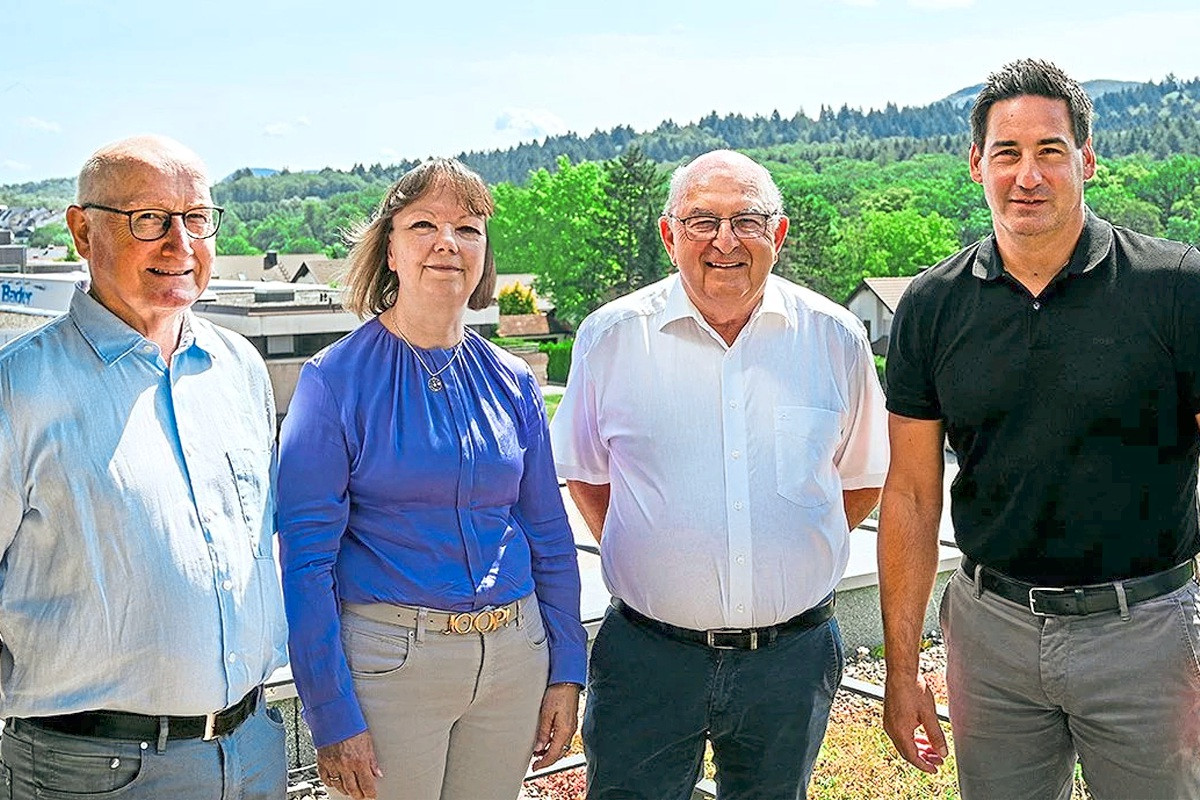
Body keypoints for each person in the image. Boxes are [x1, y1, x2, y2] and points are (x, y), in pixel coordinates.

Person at [879, 58, 1200, 799]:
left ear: (1087, 159)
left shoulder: (1176, 290)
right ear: (976, 165)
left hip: (1145, 632)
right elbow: (913, 496)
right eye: (1008, 153)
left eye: (1050, 151)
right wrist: (902, 671)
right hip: (992, 639)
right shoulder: (930, 307)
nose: (1028, 174)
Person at [551, 149, 889, 800]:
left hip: (790, 659)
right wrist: (660, 555)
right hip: (648, 656)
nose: (725, 242)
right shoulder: (612, 337)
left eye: (748, 221)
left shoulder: (836, 338)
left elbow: (860, 479)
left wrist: (781, 557)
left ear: (779, 234)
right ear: (668, 234)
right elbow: (589, 478)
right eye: (702, 220)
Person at [278, 158, 587, 800]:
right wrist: (331, 715)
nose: (448, 242)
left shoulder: (514, 380)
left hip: (513, 656)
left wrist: (567, 667)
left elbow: (549, 534)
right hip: (390, 666)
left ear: (483, 254)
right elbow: (305, 563)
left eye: (468, 229)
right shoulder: (332, 382)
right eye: (424, 224)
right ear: (390, 247)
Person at [0, 135, 289, 798]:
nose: (180, 246)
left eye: (196, 219)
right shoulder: (18, 389)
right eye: (149, 220)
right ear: (81, 229)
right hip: (93, 770)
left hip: (251, 753)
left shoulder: (240, 370)